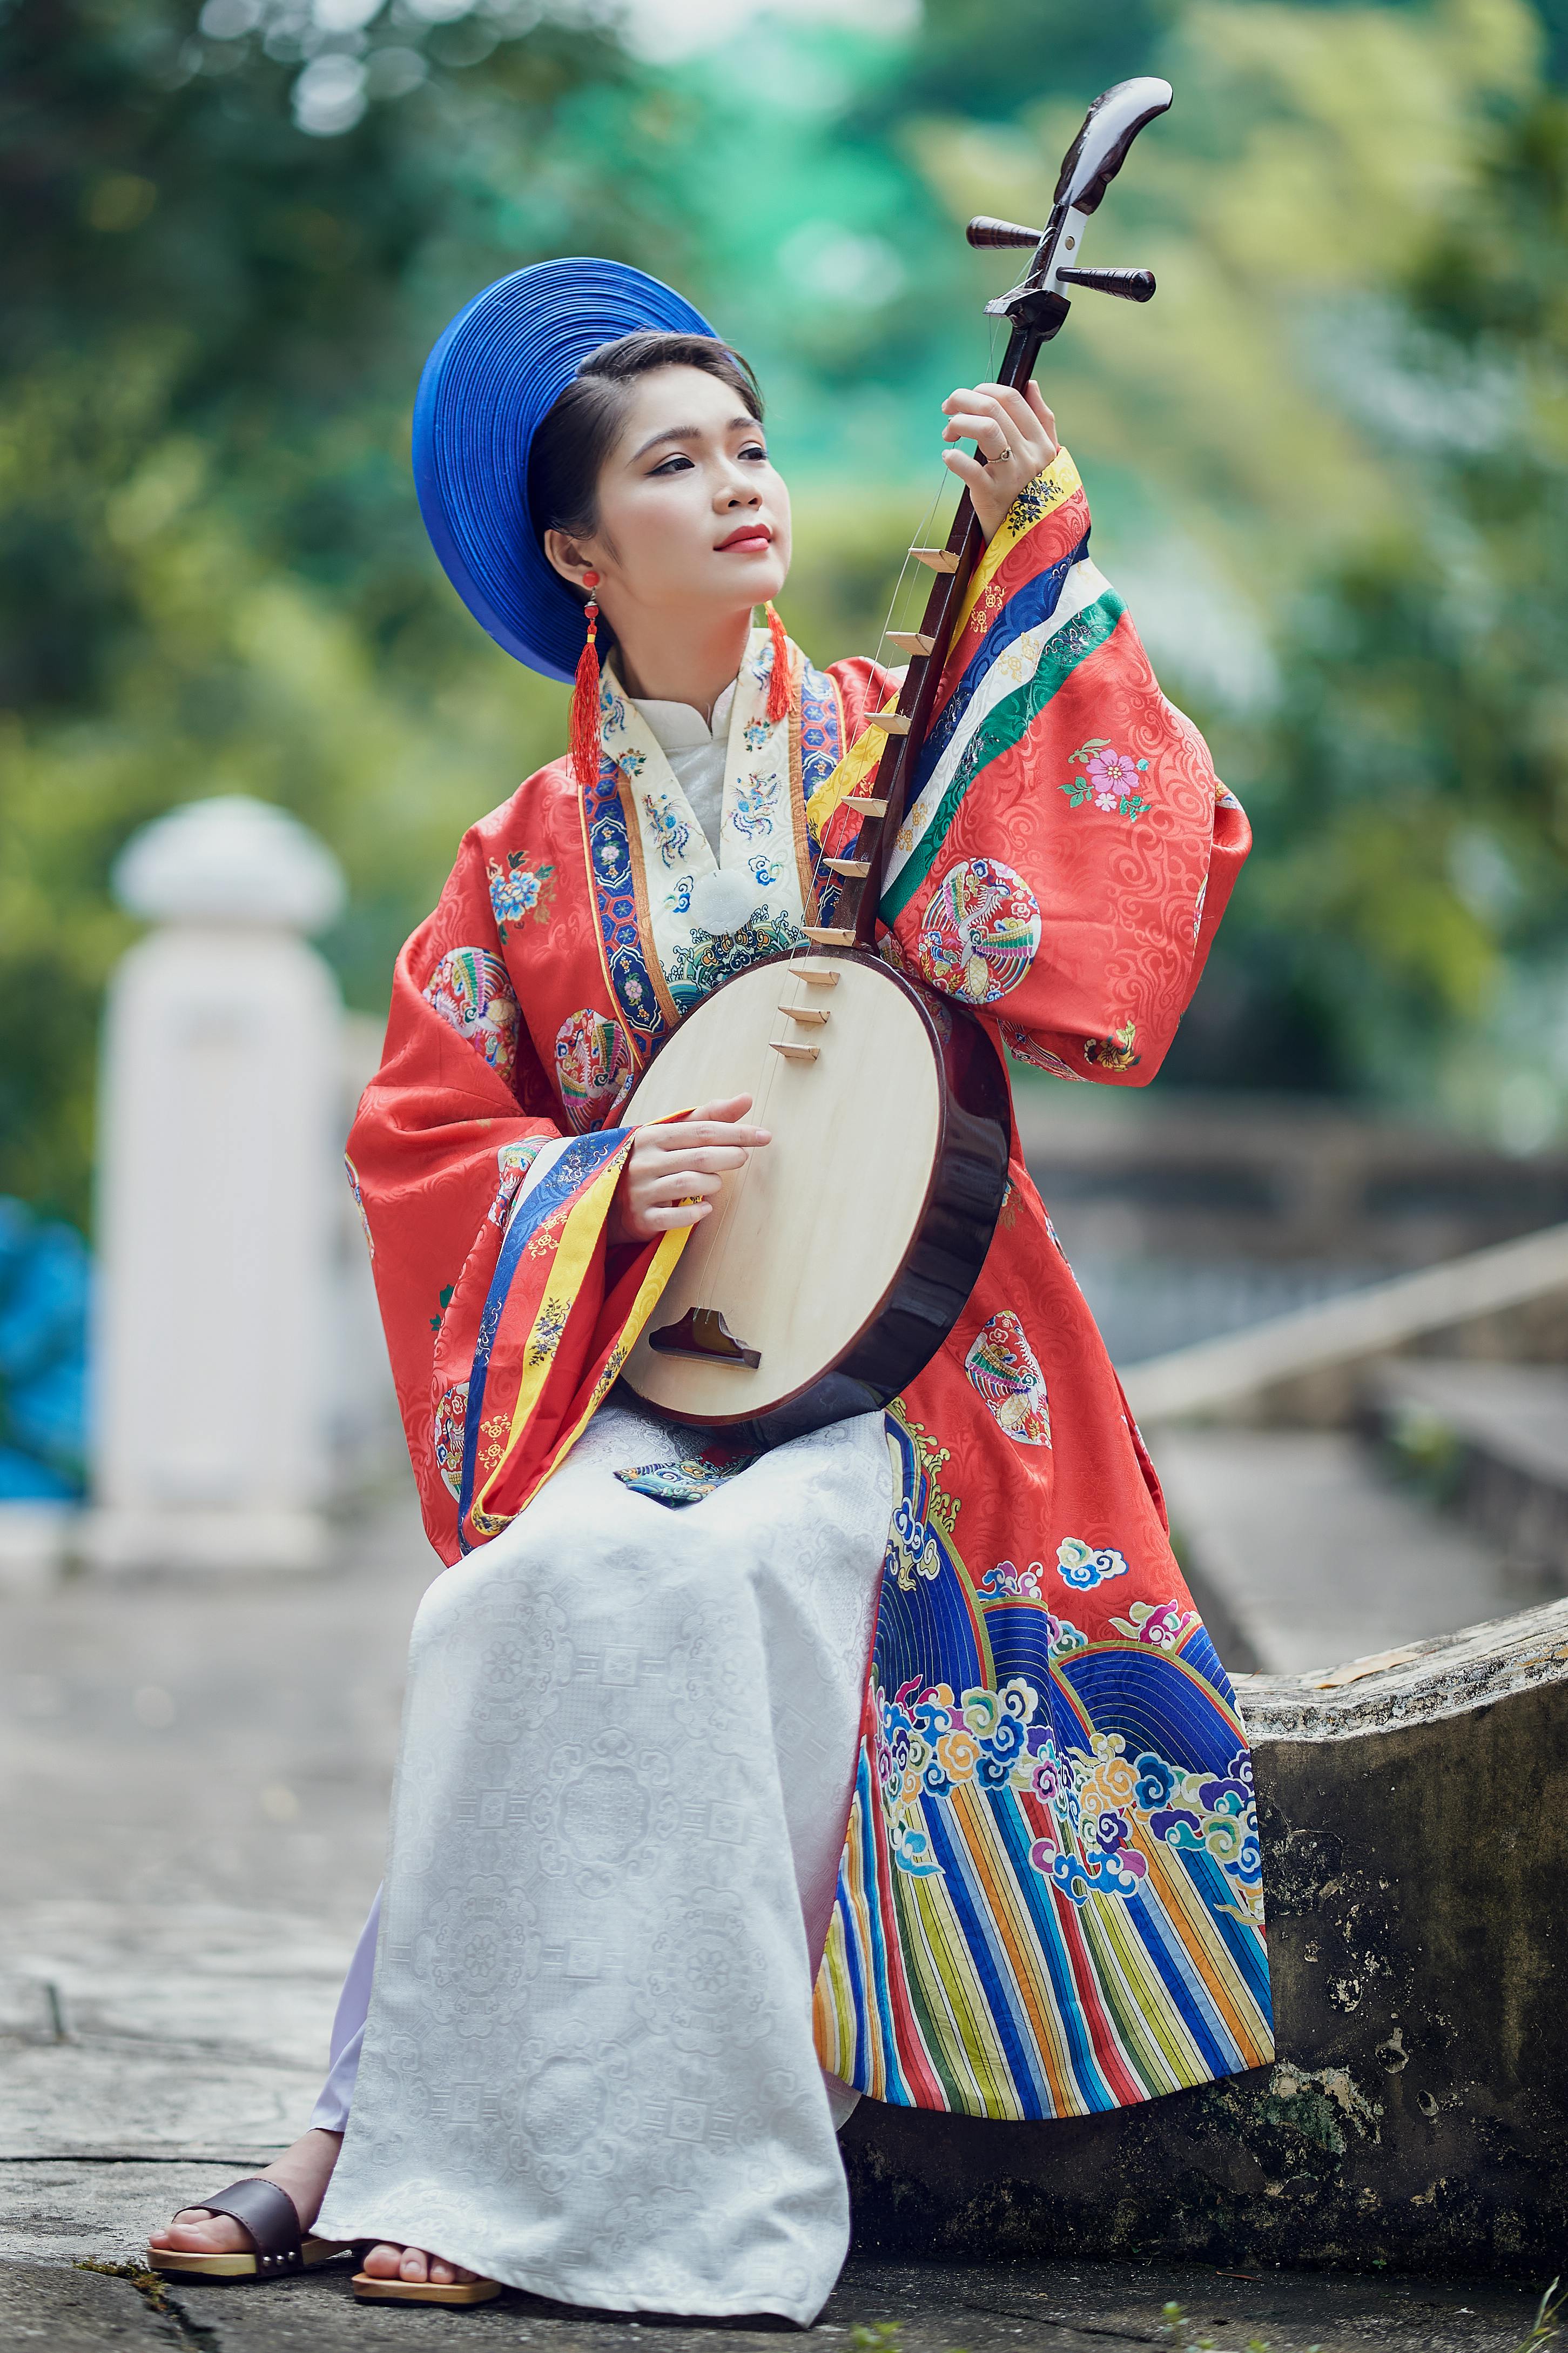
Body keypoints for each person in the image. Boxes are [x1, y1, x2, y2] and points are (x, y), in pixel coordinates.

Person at [149, 259, 1270, 2317]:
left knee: (682, 1592)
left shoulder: (889, 733)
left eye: (748, 445)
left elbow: (1135, 857)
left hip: (906, 1382)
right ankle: (410, 2137)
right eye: (675, 463)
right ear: (580, 547)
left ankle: (630, 2190)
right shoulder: (521, 856)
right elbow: (421, 1138)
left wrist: (1038, 554)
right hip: (652, 1370)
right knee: (521, 1593)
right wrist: (594, 1179)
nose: (743, 485)